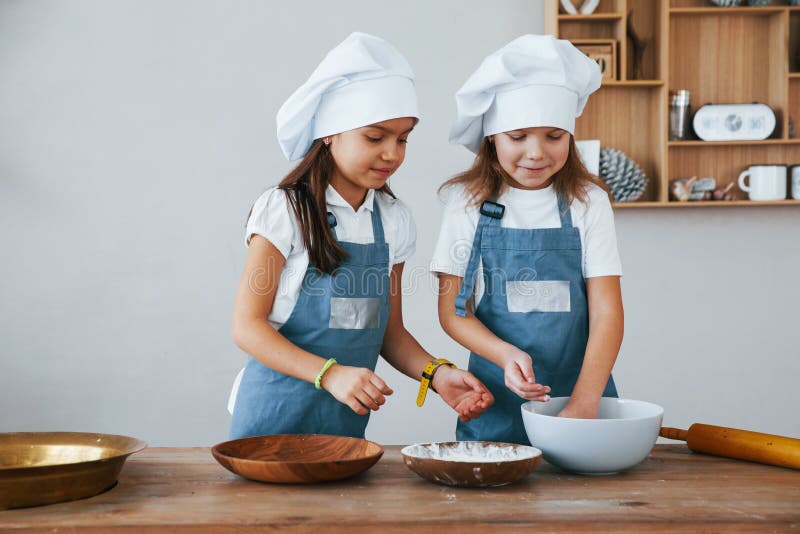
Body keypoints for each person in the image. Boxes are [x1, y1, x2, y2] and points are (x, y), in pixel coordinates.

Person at [229, 32, 493, 440]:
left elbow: (390, 332)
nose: (392, 153)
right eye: (375, 137)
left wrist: (437, 374)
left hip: (343, 428)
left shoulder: (394, 220)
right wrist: (329, 374)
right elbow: (247, 327)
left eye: (403, 138)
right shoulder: (285, 209)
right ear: (330, 133)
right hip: (272, 416)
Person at [431, 34, 624, 444]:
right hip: (495, 403)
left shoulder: (588, 202)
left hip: (583, 397)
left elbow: (607, 312)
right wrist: (505, 355)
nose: (536, 152)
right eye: (518, 137)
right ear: (492, 137)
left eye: (554, 136)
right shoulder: (466, 204)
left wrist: (585, 402)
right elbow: (453, 311)